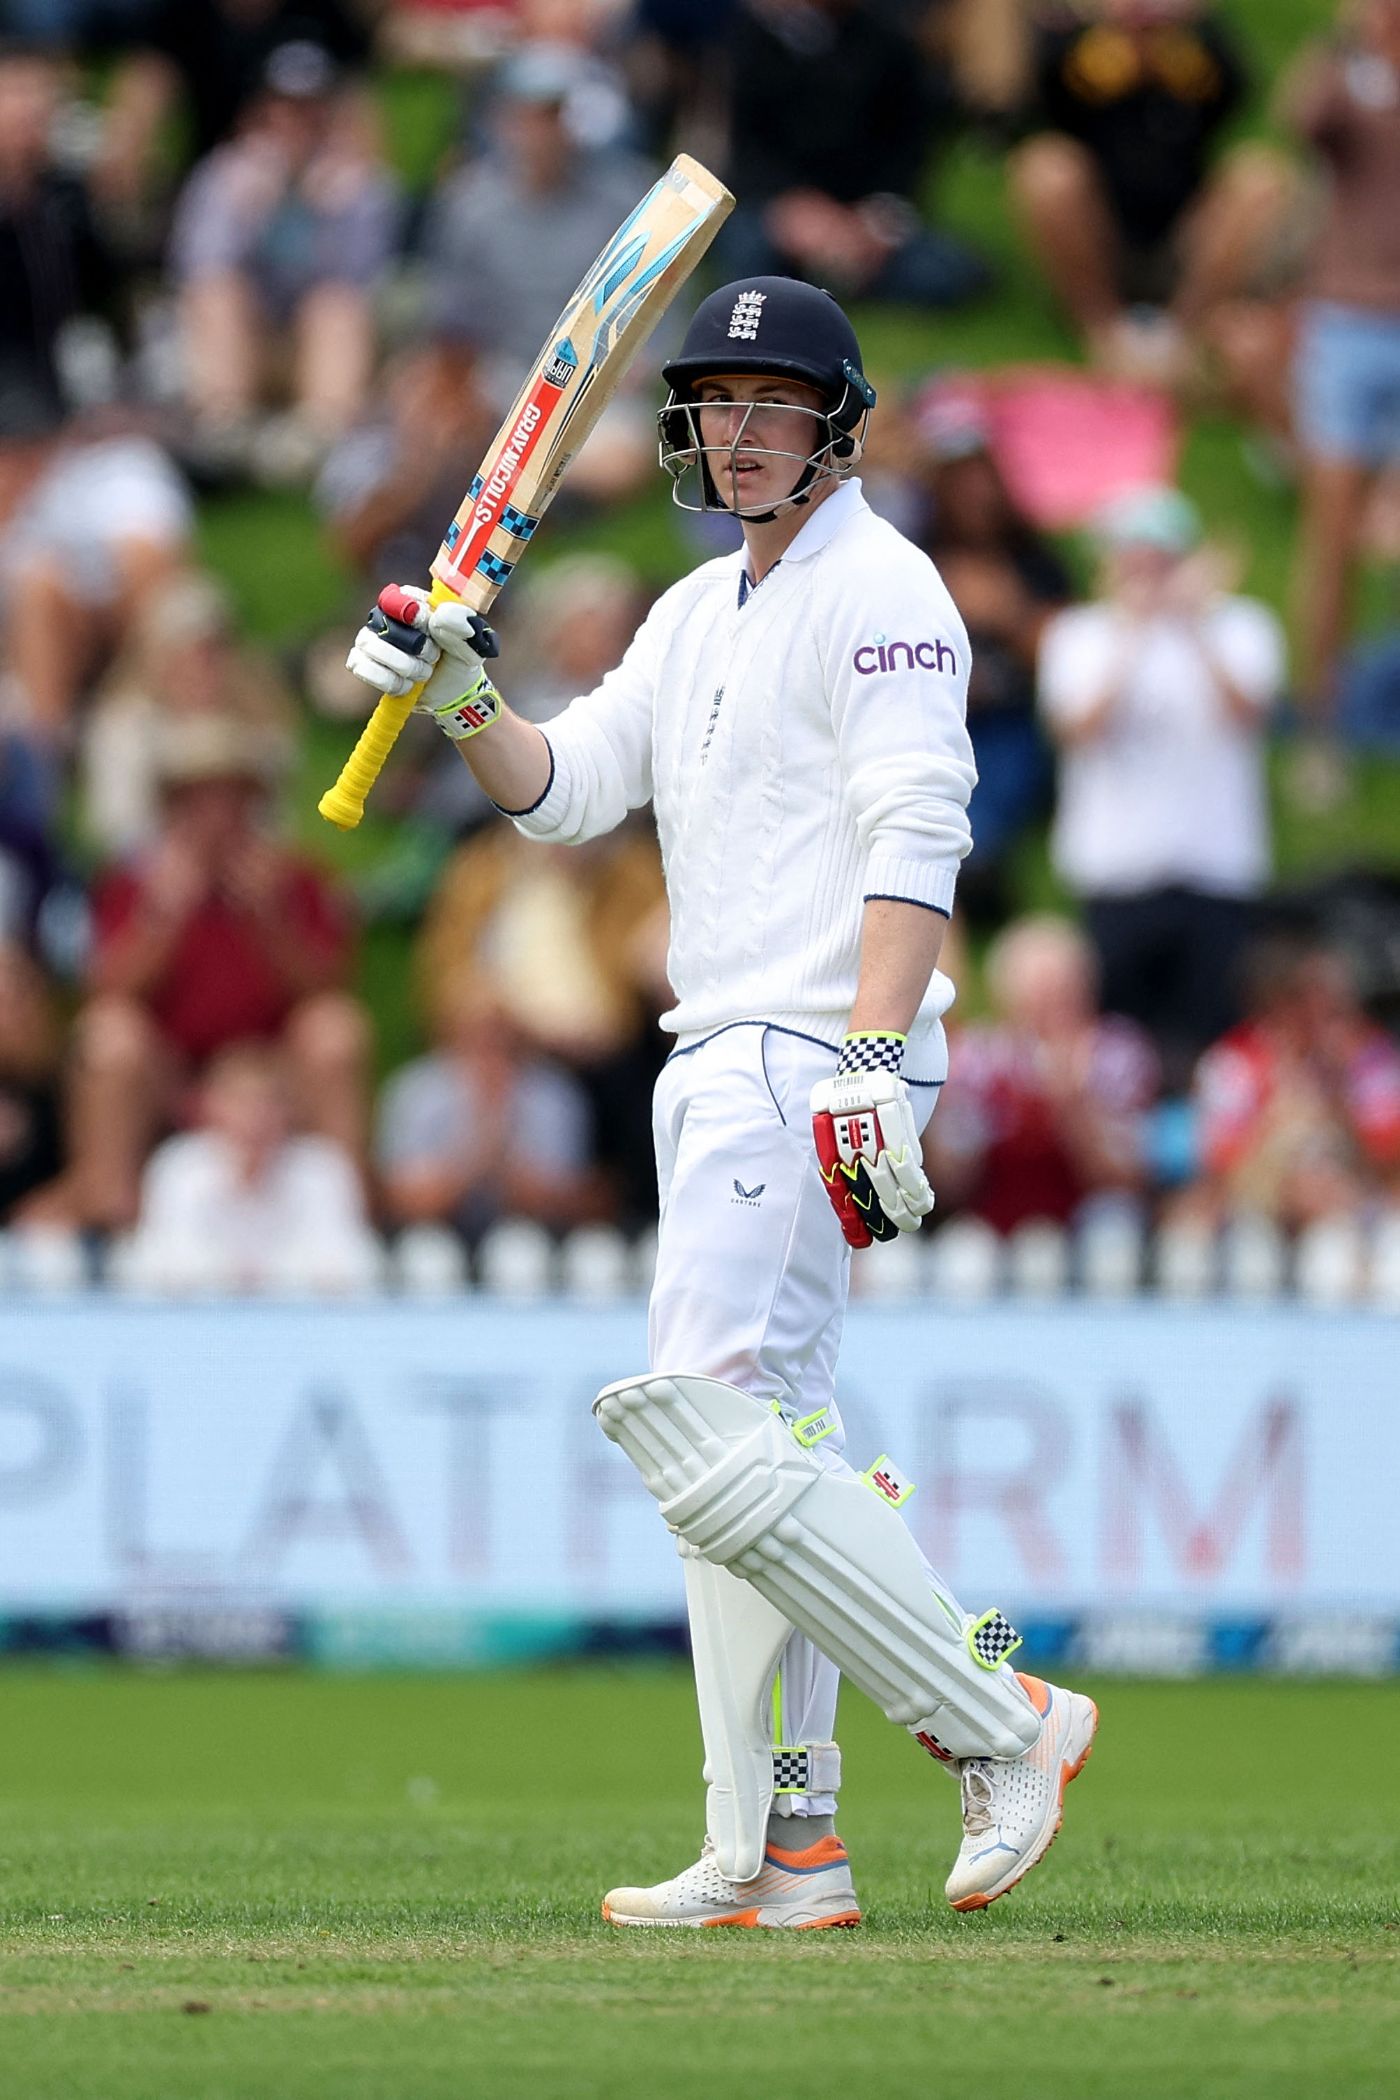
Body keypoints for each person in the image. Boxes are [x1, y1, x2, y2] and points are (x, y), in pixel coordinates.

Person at [345, 275, 1098, 1930]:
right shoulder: (698, 609)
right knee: (773, 1453)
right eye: (716, 405)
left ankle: (1001, 1714)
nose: (740, 432)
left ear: (839, 429)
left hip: (815, 1047)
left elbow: (919, 830)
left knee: (700, 1421)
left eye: (775, 405)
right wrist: (458, 690)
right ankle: (786, 1844)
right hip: (717, 1053)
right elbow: (566, 793)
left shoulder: (887, 593)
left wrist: (877, 1059)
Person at [58, 714, 367, 1230]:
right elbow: (105, 992)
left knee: (335, 1031)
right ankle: (109, 1216)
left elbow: (328, 988)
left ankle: (344, 1220)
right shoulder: (133, 885)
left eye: (231, 800)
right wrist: (162, 919)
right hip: (174, 1075)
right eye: (199, 801)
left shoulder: (297, 880)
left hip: (272, 1069)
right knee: (108, 1039)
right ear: (173, 809)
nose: (217, 817)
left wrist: (271, 919)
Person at [1037, 484, 1285, 1089]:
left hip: (1217, 871)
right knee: (1122, 1052)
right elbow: (1077, 729)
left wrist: (1194, 626)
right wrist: (1133, 634)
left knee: (1212, 1044)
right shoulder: (1079, 635)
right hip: (1117, 876)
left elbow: (1251, 712)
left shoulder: (1241, 626)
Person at [1010, 0, 1289, 384]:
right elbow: (1033, 102)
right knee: (1045, 165)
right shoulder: (1078, 44)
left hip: (1182, 238)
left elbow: (1238, 93)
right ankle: (1102, 331)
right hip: (1101, 236)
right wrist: (1102, 34)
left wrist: (1189, 29)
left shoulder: (1194, 52)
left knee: (1258, 176)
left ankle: (1181, 335)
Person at [168, 39, 400, 476]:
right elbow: (196, 267)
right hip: (249, 339)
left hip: (317, 348)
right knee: (219, 293)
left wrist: (329, 217)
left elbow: (367, 282)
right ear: (264, 111)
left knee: (334, 305)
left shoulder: (360, 184)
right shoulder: (223, 175)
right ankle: (226, 426)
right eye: (287, 108)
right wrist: (251, 213)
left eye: (310, 109)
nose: (297, 122)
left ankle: (319, 434)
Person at [1286, 0, 1400, 798]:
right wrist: (1348, 41)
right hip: (1346, 327)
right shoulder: (1350, 77)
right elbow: (1300, 118)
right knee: (1330, 543)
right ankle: (1319, 732)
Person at [926, 913, 1159, 1234]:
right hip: (995, 1221)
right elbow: (950, 1182)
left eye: (1061, 991)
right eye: (1037, 993)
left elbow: (1130, 1178)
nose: (1049, 1008)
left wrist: (1072, 1103)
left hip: (1089, 1220)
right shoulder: (978, 1057)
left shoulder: (1117, 1053)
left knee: (1113, 1228)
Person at [1180, 935, 1400, 1231]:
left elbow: (1391, 1159)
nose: (1326, 1009)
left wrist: (1341, 1099)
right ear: (1280, 1002)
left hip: (1355, 1205)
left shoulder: (1368, 1055)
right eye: (1312, 997)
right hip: (1260, 1212)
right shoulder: (1234, 1062)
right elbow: (1220, 1165)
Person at [126, 1038, 380, 1293]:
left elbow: (355, 1264)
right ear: (212, 1107)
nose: (255, 1117)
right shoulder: (180, 1168)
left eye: (267, 1103)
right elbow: (151, 1263)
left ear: (289, 1110)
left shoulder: (322, 1170)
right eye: (240, 1102)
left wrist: (262, 1277)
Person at [378, 976, 606, 1246]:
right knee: (427, 1248)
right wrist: (476, 1156)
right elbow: (403, 1202)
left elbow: (569, 1202)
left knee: (525, 1246)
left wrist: (502, 1156)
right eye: (477, 1029)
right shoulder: (415, 1091)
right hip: (432, 1240)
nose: (489, 1042)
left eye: (499, 1030)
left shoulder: (554, 1095)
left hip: (535, 1242)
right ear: (449, 1029)